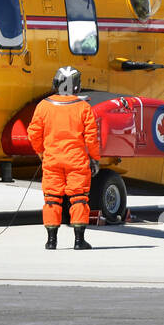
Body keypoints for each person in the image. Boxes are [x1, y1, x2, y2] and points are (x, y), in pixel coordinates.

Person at [27, 66, 101, 250]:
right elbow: (91, 138)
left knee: (52, 199)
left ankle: (51, 241)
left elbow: (33, 134)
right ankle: (79, 241)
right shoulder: (83, 107)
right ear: (76, 85)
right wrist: (95, 158)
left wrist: (41, 153)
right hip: (77, 161)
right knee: (79, 199)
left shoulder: (43, 106)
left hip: (52, 160)